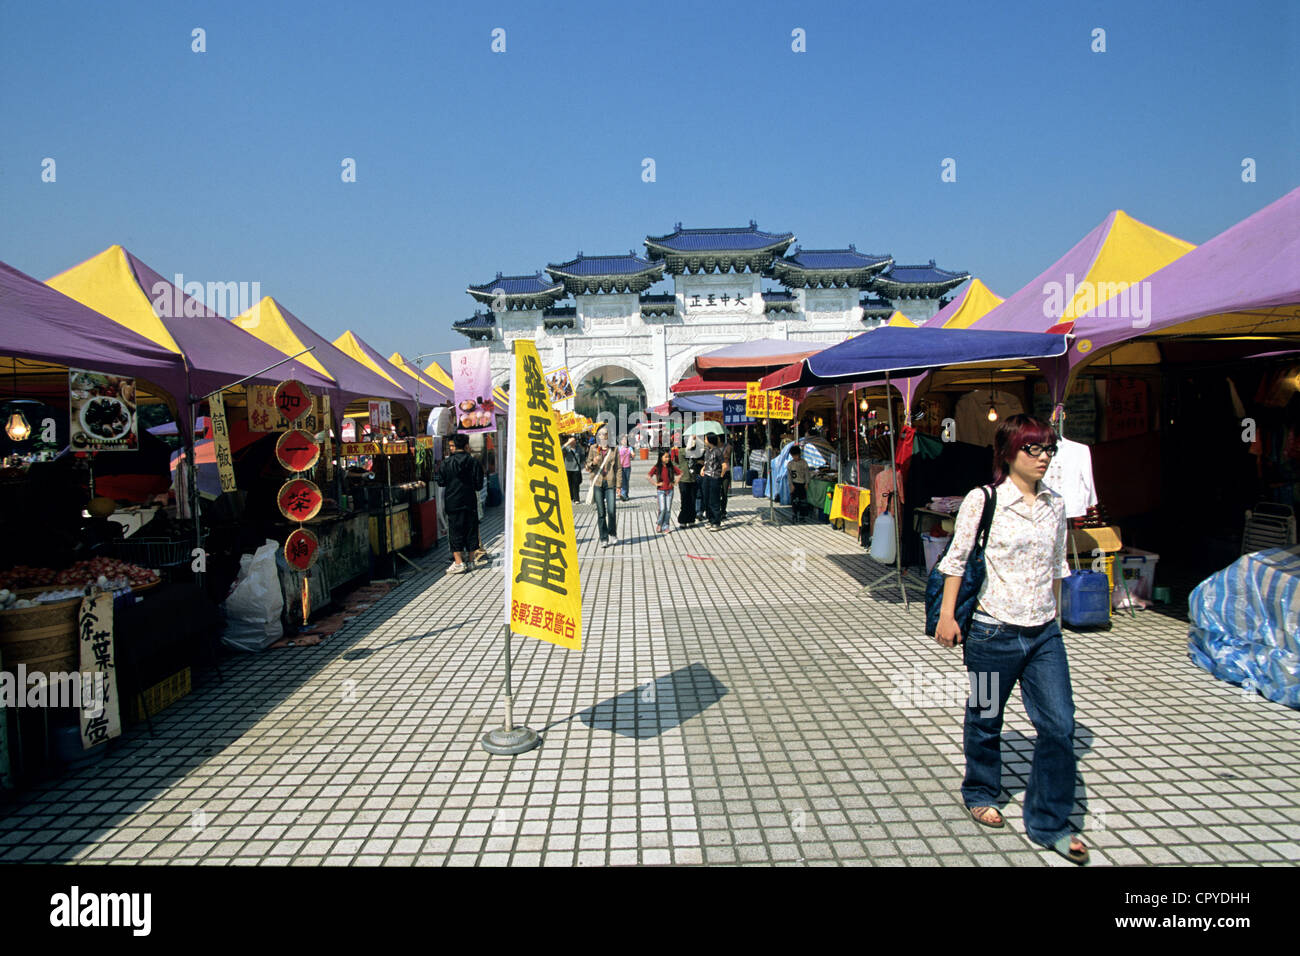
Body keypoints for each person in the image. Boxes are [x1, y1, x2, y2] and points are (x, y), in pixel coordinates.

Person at [934, 414, 1086, 865]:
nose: (1043, 458)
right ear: (1007, 453)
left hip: (1043, 636)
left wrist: (1056, 619)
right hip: (989, 634)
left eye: (1048, 449)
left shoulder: (1055, 505)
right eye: (1032, 449)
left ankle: (1050, 822)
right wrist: (947, 616)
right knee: (984, 718)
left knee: (1059, 726)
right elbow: (955, 561)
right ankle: (981, 789)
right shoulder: (984, 501)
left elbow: (1058, 564)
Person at [435, 433, 484, 574]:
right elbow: (479, 485)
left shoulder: (446, 463)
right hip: (469, 501)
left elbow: (441, 481)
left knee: (455, 532)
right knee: (470, 530)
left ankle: (458, 562)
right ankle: (470, 561)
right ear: (467, 446)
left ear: (453, 446)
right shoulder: (474, 462)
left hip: (453, 502)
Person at [585, 428, 621, 547]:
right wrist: (594, 463)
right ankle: (603, 538)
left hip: (610, 483)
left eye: (605, 434)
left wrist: (619, 485)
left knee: (611, 510)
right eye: (600, 434)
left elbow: (619, 468)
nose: (602, 436)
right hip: (598, 483)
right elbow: (587, 467)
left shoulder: (614, 449)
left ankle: (613, 533)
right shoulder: (593, 449)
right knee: (601, 512)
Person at [647, 449, 681, 533]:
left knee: (668, 509)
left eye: (668, 457)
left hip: (670, 491)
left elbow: (680, 473)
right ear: (660, 457)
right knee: (662, 509)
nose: (668, 459)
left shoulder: (671, 466)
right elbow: (648, 476)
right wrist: (655, 483)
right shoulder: (657, 467)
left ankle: (666, 526)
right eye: (665, 457)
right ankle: (659, 524)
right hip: (661, 491)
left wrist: (675, 483)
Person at [699, 432, 725, 531]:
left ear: (710, 440)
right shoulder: (707, 451)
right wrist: (703, 468)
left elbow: (724, 465)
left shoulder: (717, 451)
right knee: (706, 499)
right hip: (706, 477)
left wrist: (720, 476)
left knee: (714, 500)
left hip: (715, 477)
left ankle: (716, 522)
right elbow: (707, 463)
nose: (705, 441)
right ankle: (710, 519)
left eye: (705, 439)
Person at [676, 435, 702, 527]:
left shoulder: (694, 452)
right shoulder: (681, 451)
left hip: (693, 478)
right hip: (684, 479)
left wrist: (696, 440)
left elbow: (702, 449)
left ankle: (691, 519)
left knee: (692, 500)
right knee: (685, 500)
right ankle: (683, 520)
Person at [787, 444, 810, 522]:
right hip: (794, 484)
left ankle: (802, 516)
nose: (795, 457)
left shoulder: (804, 463)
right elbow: (789, 476)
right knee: (794, 500)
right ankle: (794, 514)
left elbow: (807, 473)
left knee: (802, 501)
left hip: (802, 484)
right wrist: (791, 485)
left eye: (796, 455)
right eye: (793, 456)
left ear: (799, 454)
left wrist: (807, 483)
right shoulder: (790, 464)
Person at [562, 436, 583, 502]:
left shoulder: (578, 448)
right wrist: (568, 443)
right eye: (571, 441)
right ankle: (571, 497)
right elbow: (560, 449)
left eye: (573, 441)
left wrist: (585, 464)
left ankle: (576, 499)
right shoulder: (566, 448)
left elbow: (582, 457)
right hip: (568, 468)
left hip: (576, 468)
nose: (572, 442)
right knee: (569, 484)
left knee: (576, 484)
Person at [718, 435, 733, 521]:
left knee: (724, 492)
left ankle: (723, 510)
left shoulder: (728, 447)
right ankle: (720, 510)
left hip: (725, 471)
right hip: (718, 472)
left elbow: (728, 456)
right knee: (719, 492)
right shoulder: (715, 447)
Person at [618, 435, 633, 502]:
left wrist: (633, 455)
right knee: (623, 482)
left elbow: (633, 454)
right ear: (621, 441)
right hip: (621, 467)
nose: (625, 441)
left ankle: (626, 495)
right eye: (623, 440)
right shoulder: (619, 448)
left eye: (625, 440)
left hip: (628, 467)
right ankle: (623, 495)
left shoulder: (629, 448)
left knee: (626, 481)